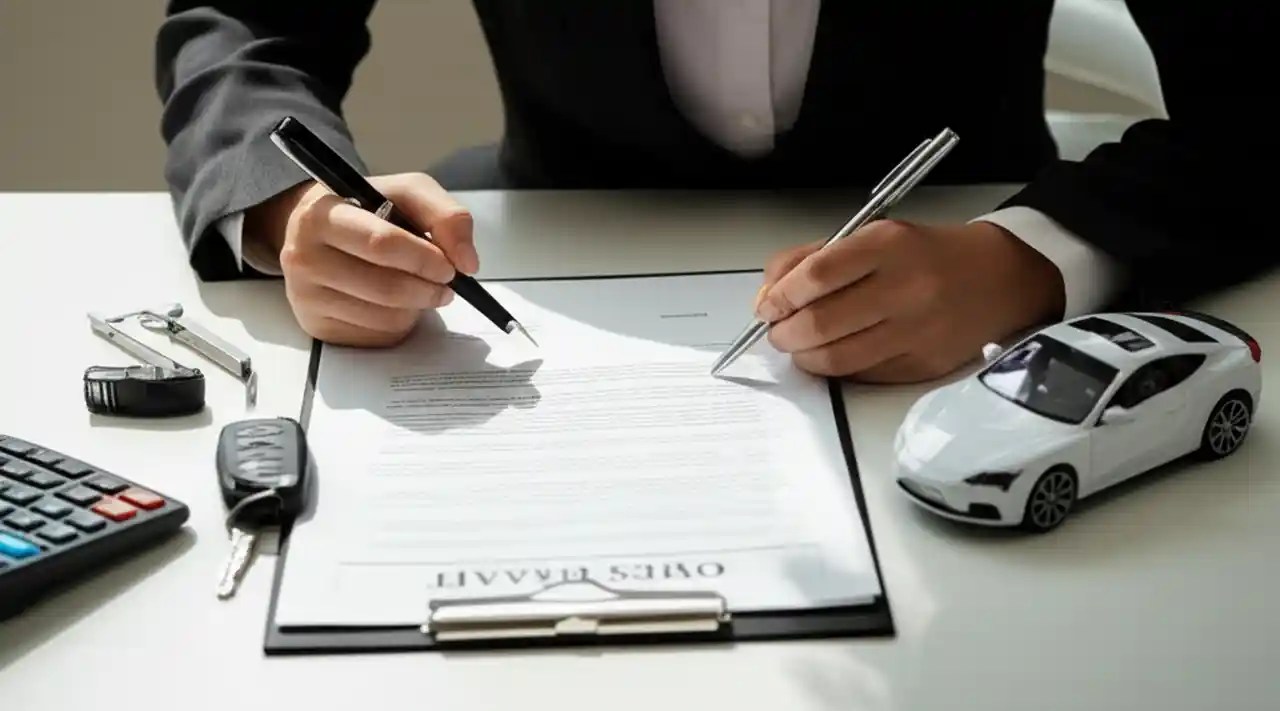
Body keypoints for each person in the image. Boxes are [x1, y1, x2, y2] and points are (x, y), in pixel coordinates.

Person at [154, 1, 1271, 383]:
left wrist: (1028, 257)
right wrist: (288, 208)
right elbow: (249, 19)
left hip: (965, 306)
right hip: (535, 246)